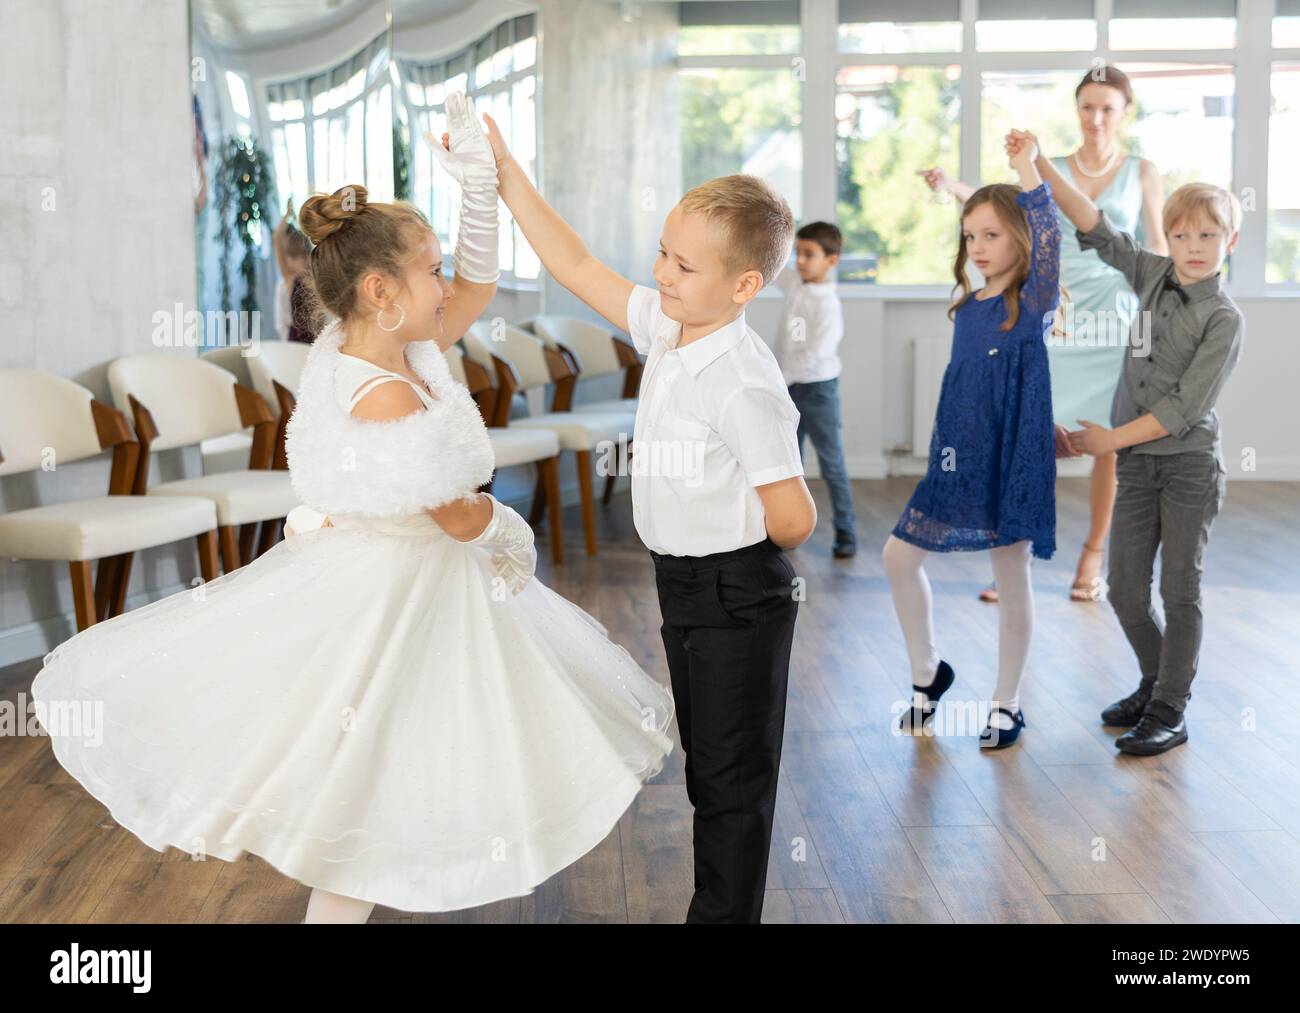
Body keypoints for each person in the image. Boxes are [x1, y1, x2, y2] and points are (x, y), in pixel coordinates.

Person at [28, 94, 675, 924]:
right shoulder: (387, 393)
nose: (449, 284)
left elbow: (479, 280)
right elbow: (455, 513)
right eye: (429, 269)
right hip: (395, 595)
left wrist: (483, 185)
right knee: (369, 781)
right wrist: (512, 536)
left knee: (381, 775)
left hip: (407, 581)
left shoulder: (373, 344)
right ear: (380, 289)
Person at [477, 111, 816, 922]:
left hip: (737, 590)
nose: (662, 272)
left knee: (733, 786)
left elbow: (794, 516)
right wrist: (504, 171)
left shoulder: (739, 378)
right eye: (663, 252)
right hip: (685, 585)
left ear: (743, 286)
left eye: (684, 264)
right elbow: (576, 262)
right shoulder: (670, 325)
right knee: (709, 770)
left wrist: (722, 538)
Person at [1029, 132, 1245, 756]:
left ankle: (1171, 710)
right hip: (1136, 464)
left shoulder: (1225, 320)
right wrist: (1041, 164)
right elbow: (1094, 225)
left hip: (1187, 469)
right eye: (1183, 235)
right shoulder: (1149, 275)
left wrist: (1106, 441)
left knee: (1179, 590)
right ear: (1168, 237)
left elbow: (1182, 410)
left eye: (1209, 236)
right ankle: (1155, 684)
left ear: (1230, 241)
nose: (1194, 247)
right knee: (1125, 590)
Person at [920, 65, 1167, 604]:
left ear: (1124, 113)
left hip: (1116, 321)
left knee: (1109, 441)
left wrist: (1166, 318)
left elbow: (1158, 250)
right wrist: (950, 188)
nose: (1096, 118)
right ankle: (1015, 556)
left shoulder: (1143, 171)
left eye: (1107, 108)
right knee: (1029, 434)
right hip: (1052, 311)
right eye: (1087, 106)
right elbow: (1004, 209)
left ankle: (1092, 554)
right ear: (1077, 110)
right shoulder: (1047, 167)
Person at [886, 130, 1080, 750]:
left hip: (1012, 461)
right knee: (898, 556)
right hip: (957, 459)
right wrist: (951, 190)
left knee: (1011, 573)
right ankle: (928, 674)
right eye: (970, 236)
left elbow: (1049, 232)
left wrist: (1026, 165)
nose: (978, 247)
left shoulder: (1033, 302)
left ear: (1020, 239)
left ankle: (1007, 703)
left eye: (992, 235)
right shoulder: (970, 307)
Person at [773, 221, 858, 558]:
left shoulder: (828, 305)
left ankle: (845, 530)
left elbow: (813, 356)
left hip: (817, 391)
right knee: (786, 461)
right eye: (799, 253)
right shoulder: (796, 282)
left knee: (831, 462)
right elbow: (774, 264)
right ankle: (785, 529)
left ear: (832, 261)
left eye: (809, 254)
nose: (801, 261)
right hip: (789, 388)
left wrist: (777, 380)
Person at [272, 199, 319, 344]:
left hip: (316, 338)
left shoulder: (316, 278)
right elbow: (276, 239)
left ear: (305, 257)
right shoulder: (290, 278)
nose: (290, 262)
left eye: (294, 257)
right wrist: (287, 215)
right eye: (289, 257)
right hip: (295, 340)